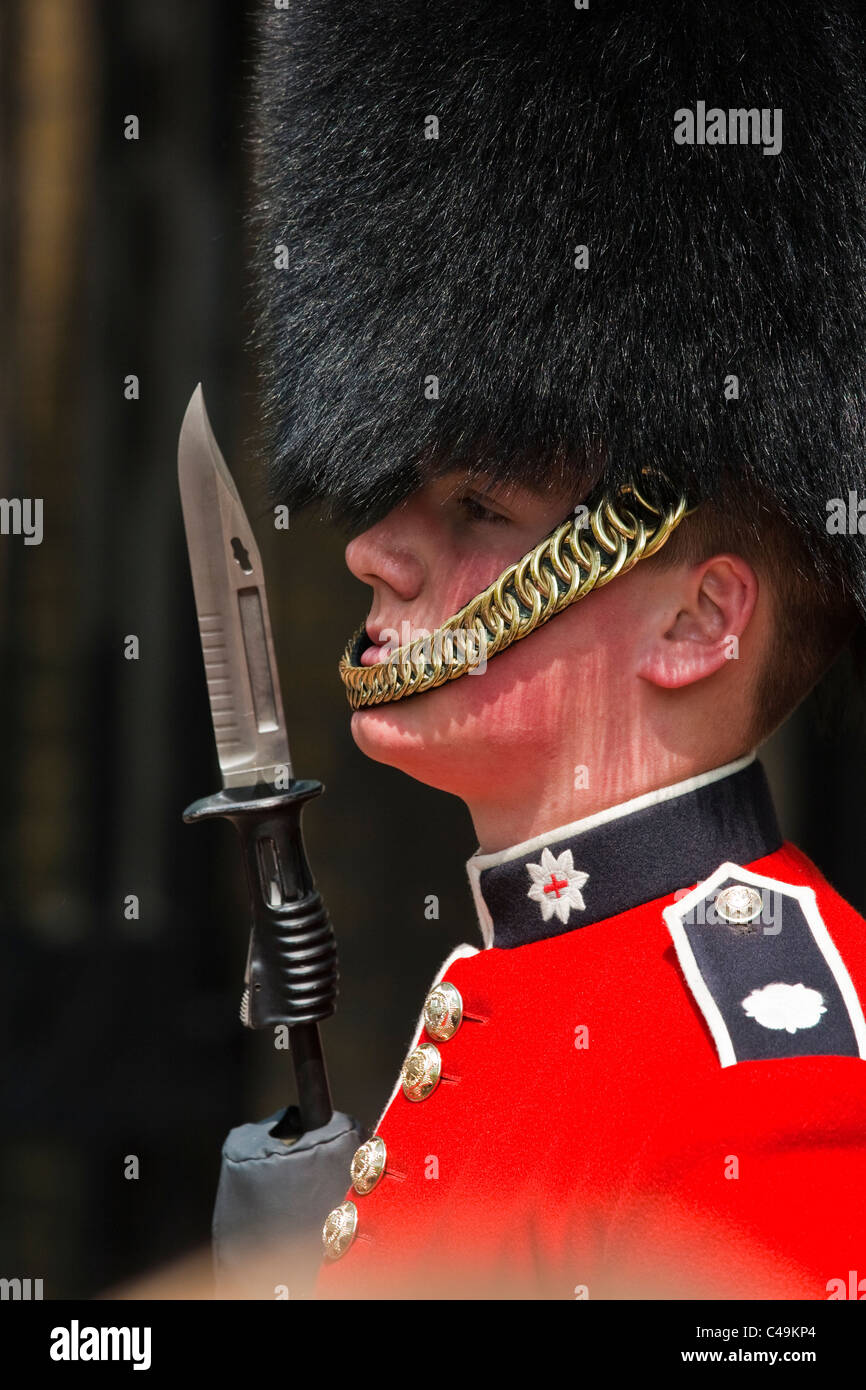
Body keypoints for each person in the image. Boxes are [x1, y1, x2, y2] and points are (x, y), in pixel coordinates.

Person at [235, 0, 866, 1298]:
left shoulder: (772, 1075)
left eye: (477, 509)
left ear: (696, 623)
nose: (371, 550)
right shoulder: (525, 969)